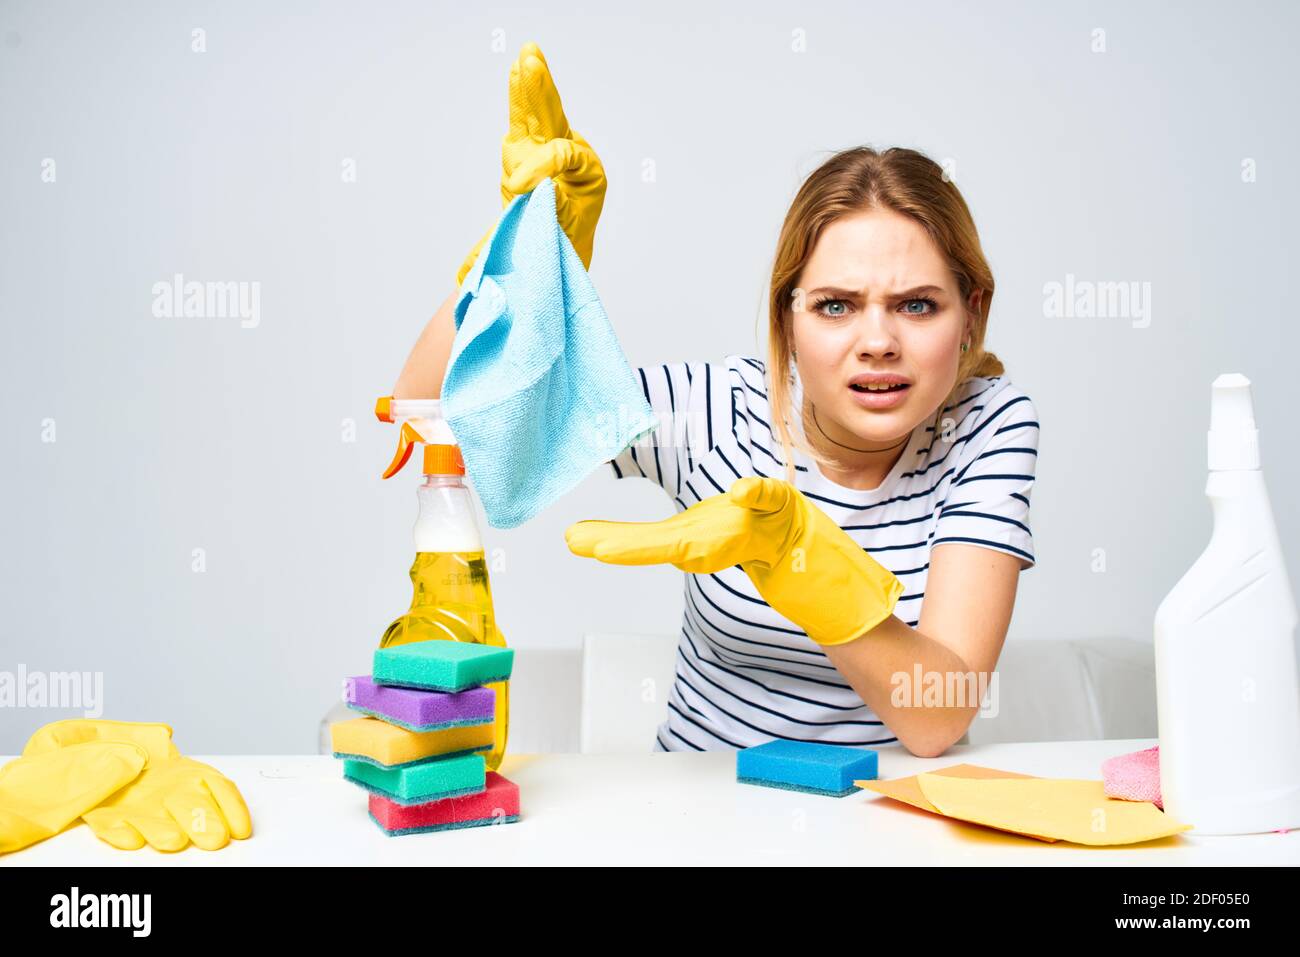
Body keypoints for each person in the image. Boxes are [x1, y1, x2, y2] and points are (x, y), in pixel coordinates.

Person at [395, 44, 1038, 759]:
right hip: (705, 816)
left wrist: (797, 555)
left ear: (972, 313)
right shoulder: (716, 411)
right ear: (787, 319)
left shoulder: (987, 424)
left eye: (918, 304)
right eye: (835, 306)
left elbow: (937, 716)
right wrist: (532, 260)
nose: (877, 341)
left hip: (893, 824)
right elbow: (435, 410)